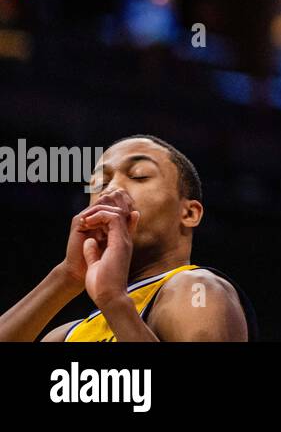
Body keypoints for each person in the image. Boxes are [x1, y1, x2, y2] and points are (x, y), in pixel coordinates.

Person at [0, 135, 253, 341]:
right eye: (99, 183)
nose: (111, 190)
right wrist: (67, 276)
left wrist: (114, 300)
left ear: (189, 212)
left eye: (139, 175)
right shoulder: (66, 335)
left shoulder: (198, 288)